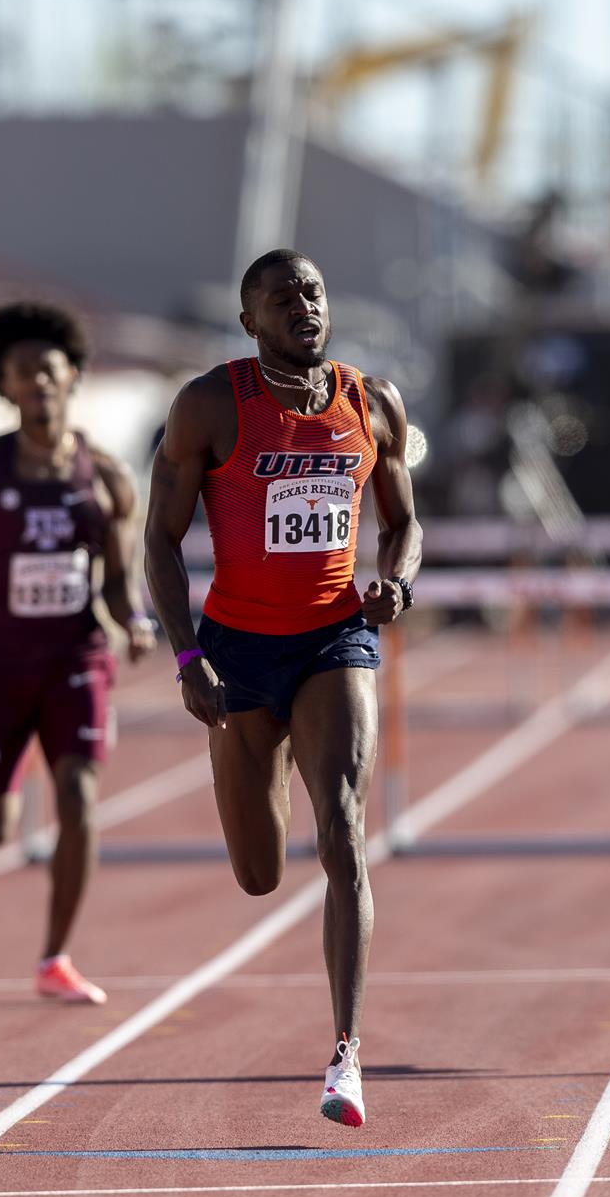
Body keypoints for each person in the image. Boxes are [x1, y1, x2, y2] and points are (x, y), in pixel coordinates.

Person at [144, 250, 422, 1126]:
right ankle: (259, 777)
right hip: (237, 652)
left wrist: (397, 584)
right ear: (249, 321)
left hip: (335, 638)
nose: (303, 306)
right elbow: (158, 540)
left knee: (344, 830)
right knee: (259, 873)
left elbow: (404, 520)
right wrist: (189, 657)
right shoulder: (210, 405)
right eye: (281, 298)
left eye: (312, 291)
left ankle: (346, 1054)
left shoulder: (371, 401)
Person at [0, 302, 156, 1006]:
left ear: (73, 377)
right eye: (22, 375)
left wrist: (135, 620)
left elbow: (117, 579)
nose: (38, 386)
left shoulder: (107, 478)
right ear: (5, 386)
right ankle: (9, 756)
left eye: (49, 372)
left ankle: (55, 955)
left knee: (81, 798)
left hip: (73, 662)